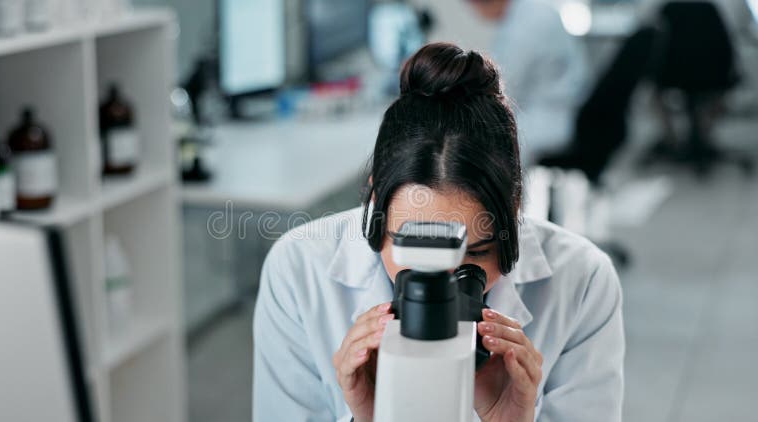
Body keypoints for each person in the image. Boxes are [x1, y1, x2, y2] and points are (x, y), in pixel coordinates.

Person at [252, 43, 624, 421]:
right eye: (415, 251)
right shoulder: (298, 268)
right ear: (375, 204)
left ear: (515, 212)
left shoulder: (583, 281)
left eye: (475, 256)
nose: (441, 284)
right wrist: (366, 415)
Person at [467, 0, 589, 165]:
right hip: (548, 110)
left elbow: (502, 87)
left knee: (484, 148)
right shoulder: (528, 12)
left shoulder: (526, 25)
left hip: (547, 121)